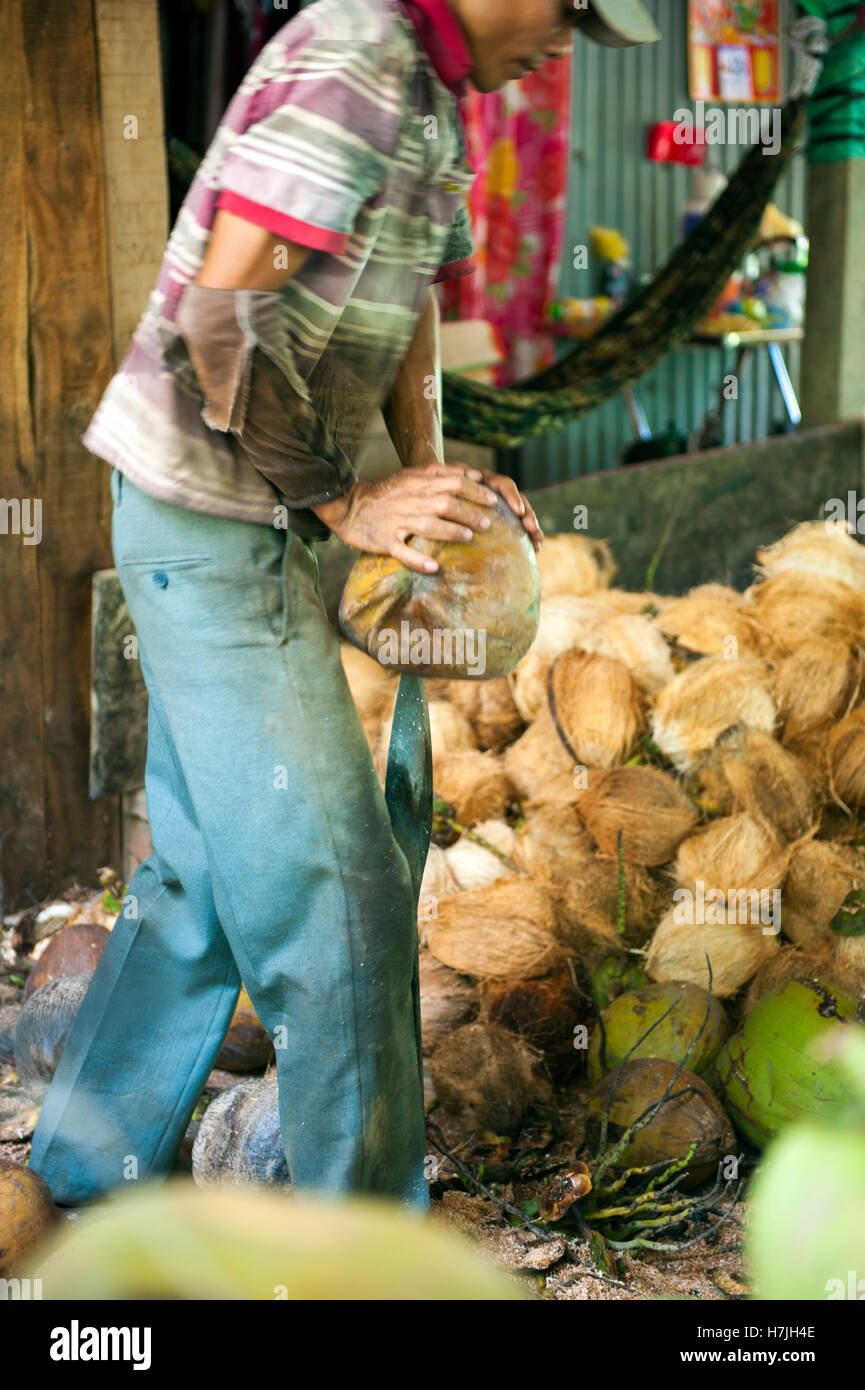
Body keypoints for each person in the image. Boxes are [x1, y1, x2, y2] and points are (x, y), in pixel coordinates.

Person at [30, 0, 659, 1211]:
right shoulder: (354, 66)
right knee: (343, 902)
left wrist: (431, 463)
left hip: (228, 520)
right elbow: (224, 310)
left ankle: (80, 1169)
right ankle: (367, 1260)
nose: (567, 42)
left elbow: (410, 295)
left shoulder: (426, 91)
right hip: (217, 525)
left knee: (205, 885)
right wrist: (346, 500)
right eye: (571, 12)